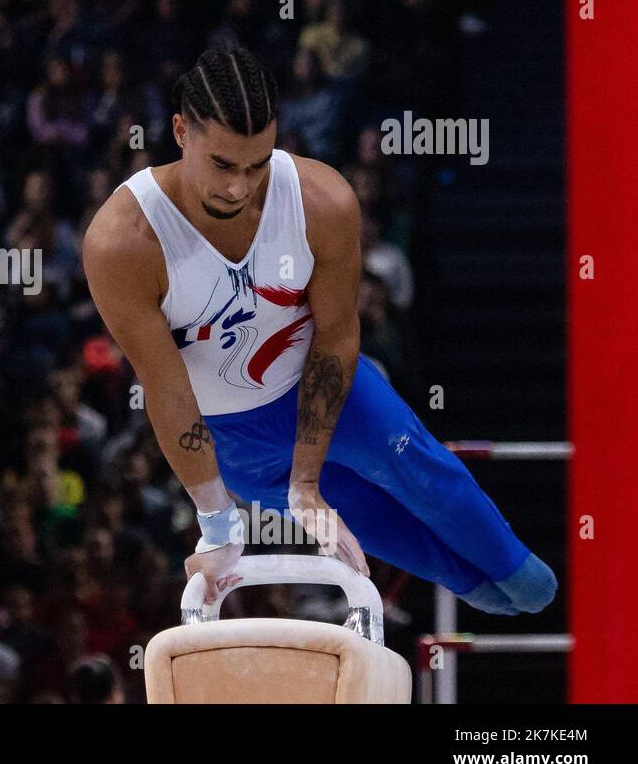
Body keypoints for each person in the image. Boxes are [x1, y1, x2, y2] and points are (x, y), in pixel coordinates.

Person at [82, 47, 556, 616]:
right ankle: (483, 592)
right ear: (181, 131)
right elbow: (167, 387)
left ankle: (525, 578)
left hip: (332, 391)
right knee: (374, 524)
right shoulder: (124, 241)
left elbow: (334, 336)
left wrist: (307, 482)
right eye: (223, 165)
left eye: (257, 165)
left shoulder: (320, 201)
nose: (239, 188)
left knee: (421, 475)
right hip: (234, 439)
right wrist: (216, 524)